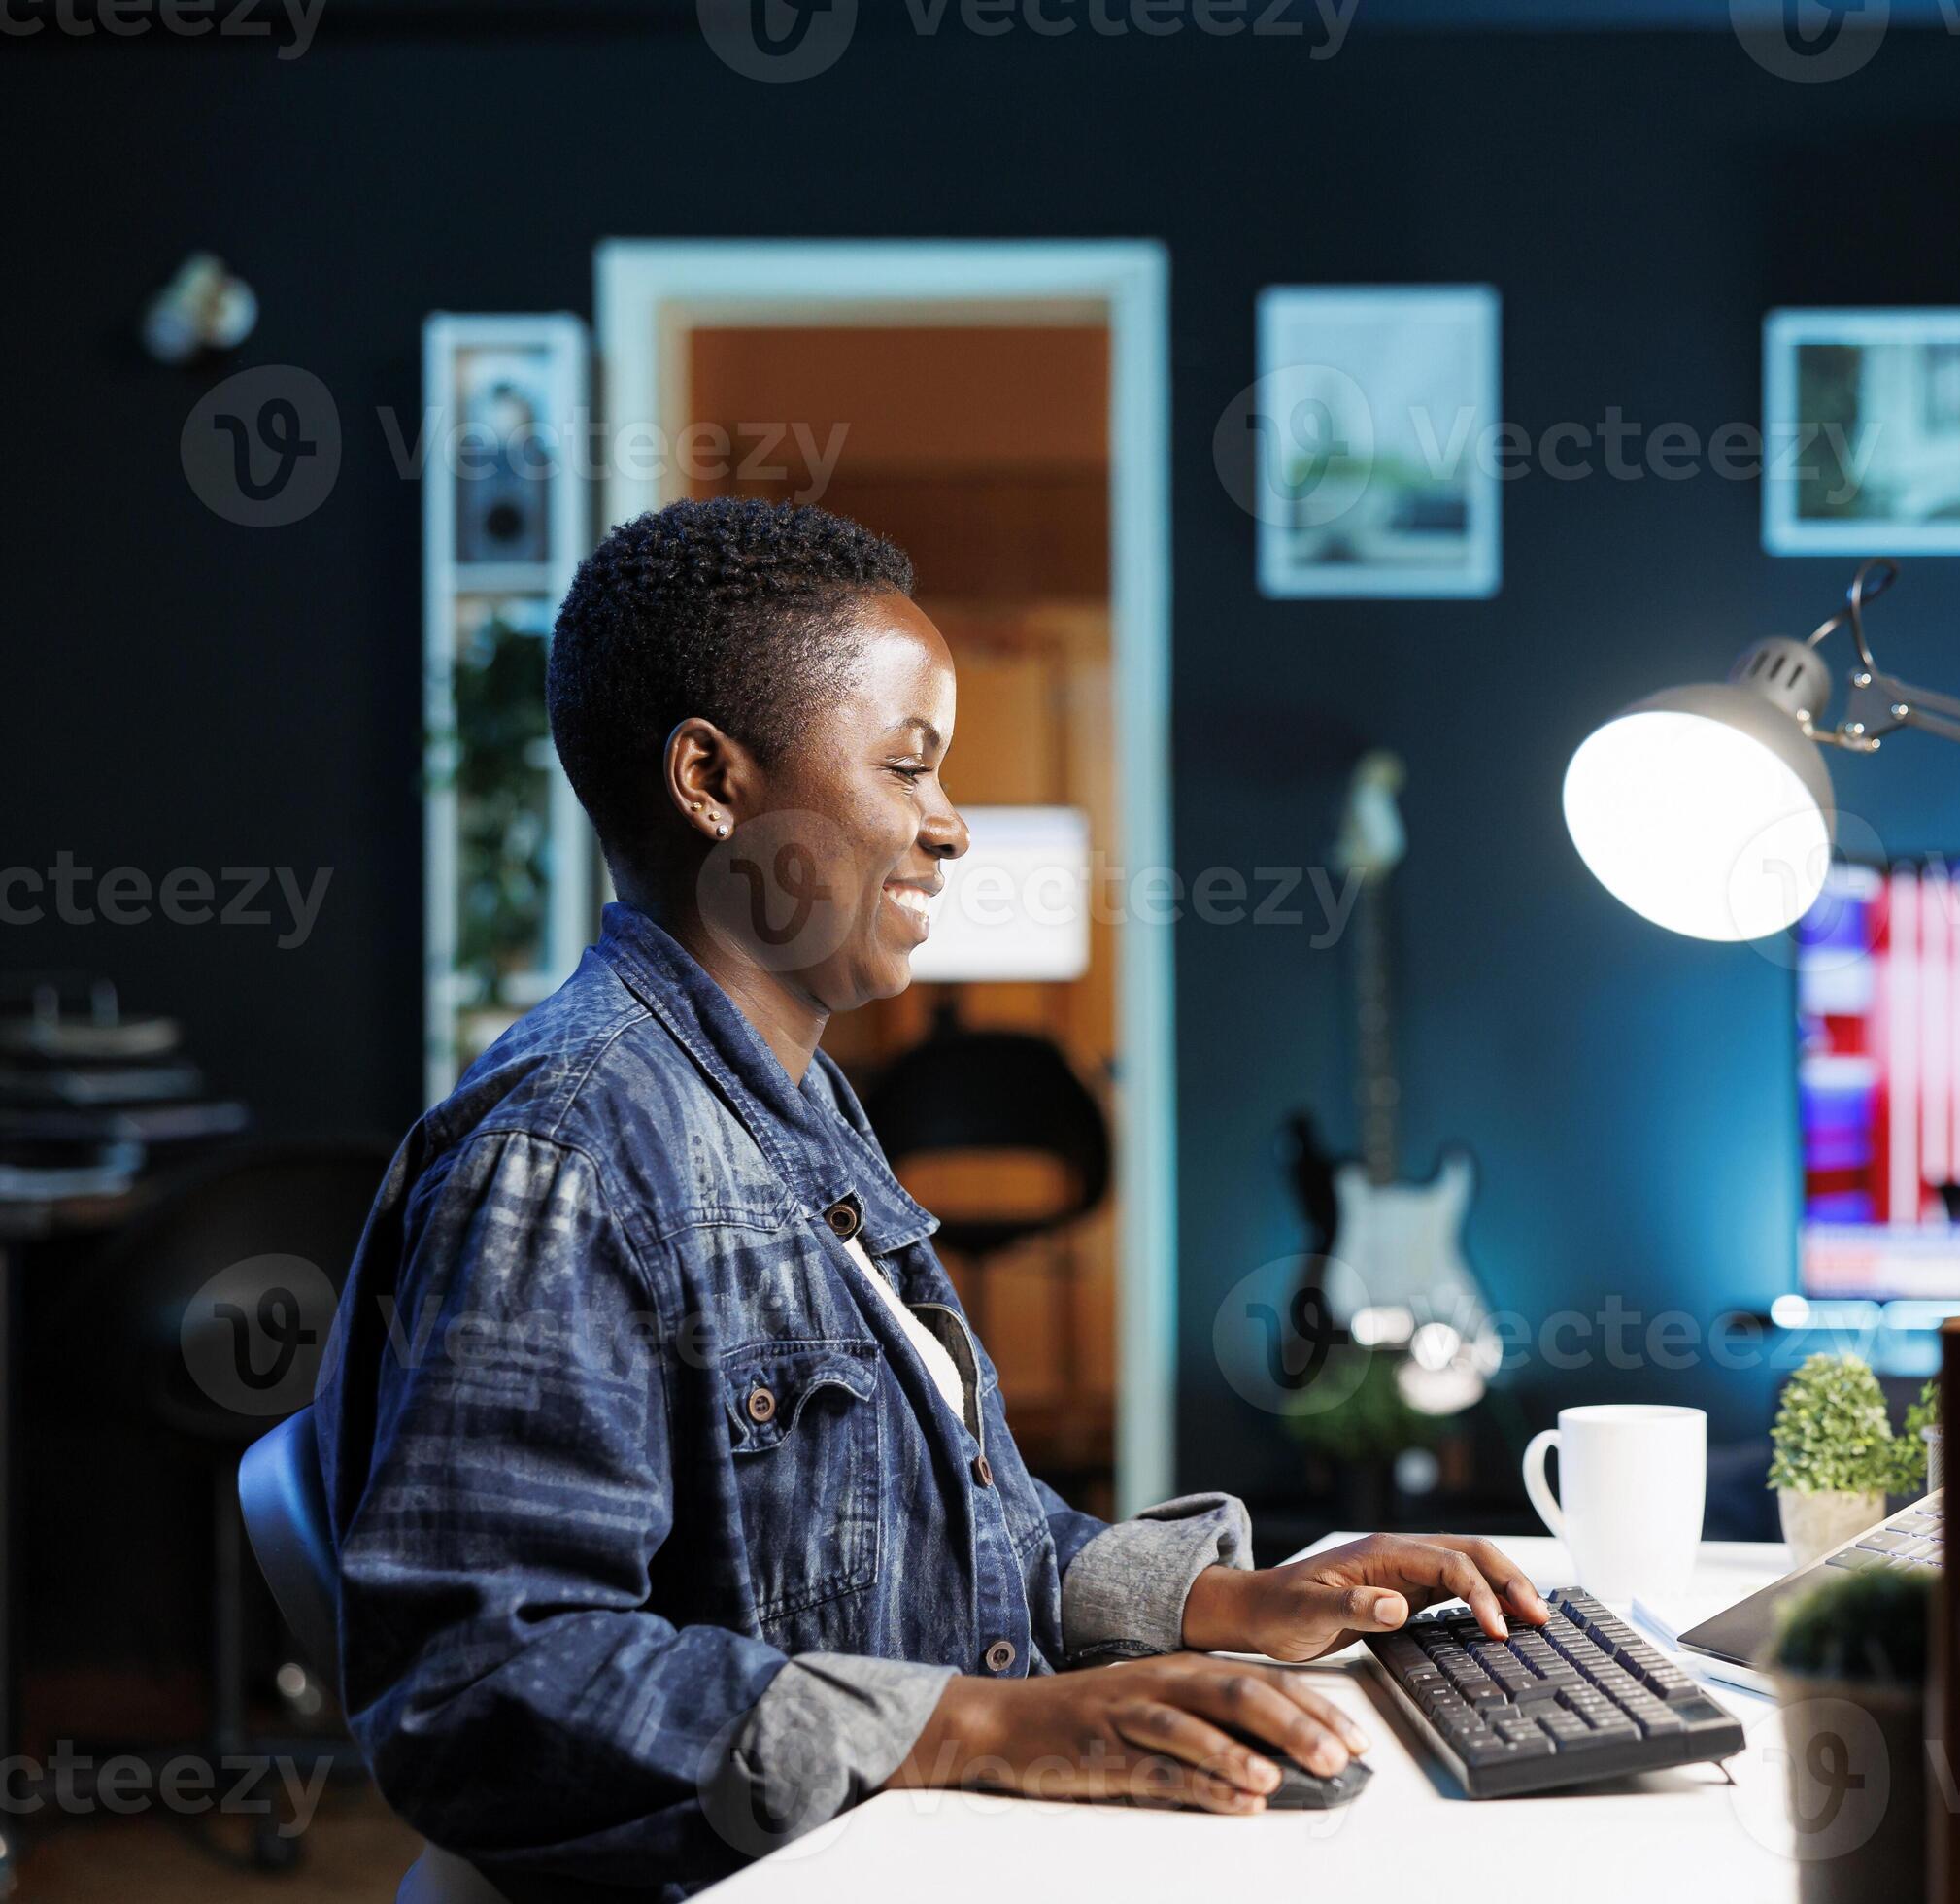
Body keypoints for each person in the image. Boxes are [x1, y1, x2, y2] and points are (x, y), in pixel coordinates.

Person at [314, 497, 1550, 1901]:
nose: (950, 826)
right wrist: (982, 1725)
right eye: (910, 767)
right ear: (712, 780)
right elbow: (478, 1686)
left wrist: (1232, 1602)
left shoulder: (802, 1109)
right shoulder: (566, 1154)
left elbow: (965, 1538)